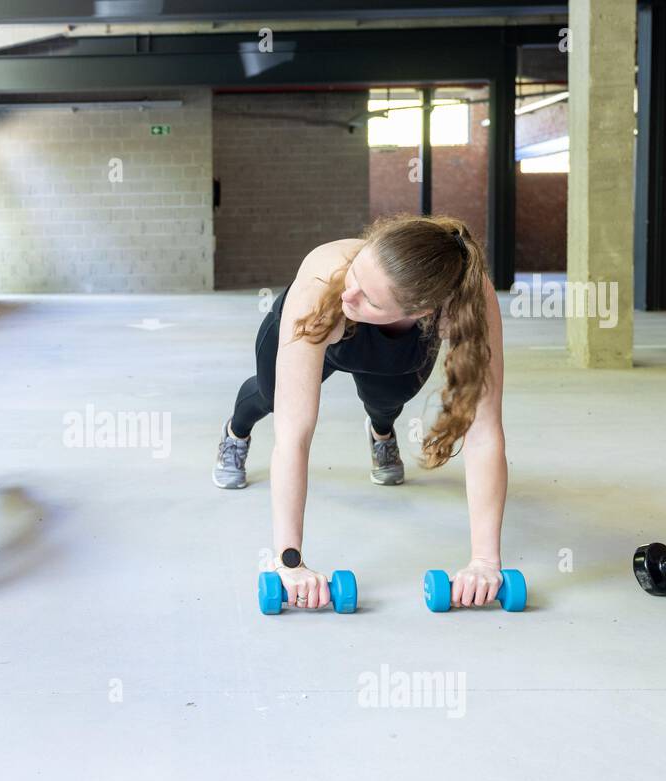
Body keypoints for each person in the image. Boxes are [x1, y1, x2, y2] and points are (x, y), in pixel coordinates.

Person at [213, 214, 508, 609]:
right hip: (316, 321)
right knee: (270, 398)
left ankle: (381, 431)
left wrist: (486, 561)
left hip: (398, 339)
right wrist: (289, 561)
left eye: (368, 296)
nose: (349, 295)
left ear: (423, 311)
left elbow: (484, 430)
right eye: (357, 273)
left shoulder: (466, 300)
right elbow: (294, 436)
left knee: (388, 400)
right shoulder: (328, 286)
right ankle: (236, 431)